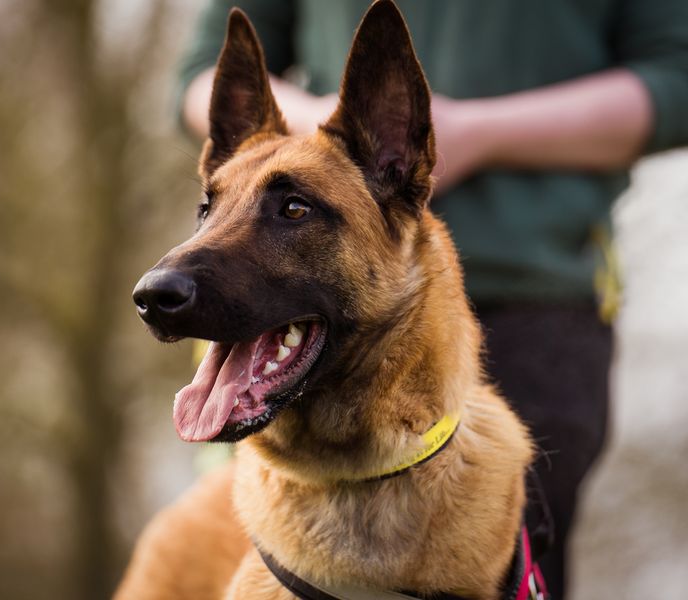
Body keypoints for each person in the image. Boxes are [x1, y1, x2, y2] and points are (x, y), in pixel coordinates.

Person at [177, 1, 688, 597]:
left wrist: (483, 131)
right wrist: (320, 142)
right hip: (287, 313)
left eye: (290, 207)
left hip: (539, 299)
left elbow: (676, 78)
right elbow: (196, 74)